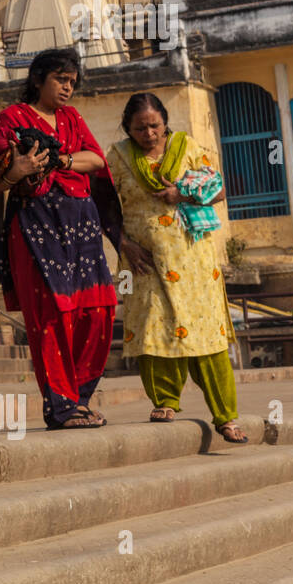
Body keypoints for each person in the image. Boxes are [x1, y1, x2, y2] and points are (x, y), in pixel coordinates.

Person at [0, 48, 122, 429]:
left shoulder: (72, 118)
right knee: (52, 314)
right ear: (38, 79)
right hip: (36, 225)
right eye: (60, 79)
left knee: (98, 308)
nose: (68, 87)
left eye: (72, 81)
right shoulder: (12, 119)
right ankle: (62, 406)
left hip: (82, 226)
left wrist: (62, 161)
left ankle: (80, 398)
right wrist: (17, 170)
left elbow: (97, 160)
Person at [107, 93, 247, 442]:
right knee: (154, 330)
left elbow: (219, 191)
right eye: (140, 128)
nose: (149, 134)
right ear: (128, 129)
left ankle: (226, 416)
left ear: (165, 122)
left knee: (205, 335)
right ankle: (166, 401)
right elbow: (105, 209)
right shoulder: (118, 157)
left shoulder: (188, 148)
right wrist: (124, 245)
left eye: (154, 126)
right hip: (144, 260)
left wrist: (181, 196)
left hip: (193, 258)